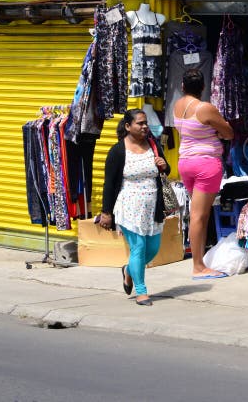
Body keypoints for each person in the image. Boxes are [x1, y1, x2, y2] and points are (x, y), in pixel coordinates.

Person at [99, 109, 170, 306]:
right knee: (138, 247)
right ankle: (141, 291)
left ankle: (128, 270)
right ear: (128, 126)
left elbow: (166, 169)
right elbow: (109, 183)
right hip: (129, 206)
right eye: (140, 123)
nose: (144, 126)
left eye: (145, 122)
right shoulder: (118, 151)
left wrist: (164, 165)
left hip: (152, 207)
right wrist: (106, 212)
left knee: (153, 249)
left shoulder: (153, 145)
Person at [173, 68, 234, 279]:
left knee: (199, 214)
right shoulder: (205, 108)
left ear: (182, 86)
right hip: (205, 164)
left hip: (185, 163)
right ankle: (198, 266)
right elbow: (228, 132)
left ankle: (200, 261)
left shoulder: (178, 106)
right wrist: (218, 131)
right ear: (203, 87)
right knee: (199, 215)